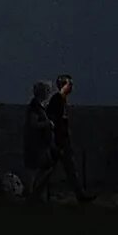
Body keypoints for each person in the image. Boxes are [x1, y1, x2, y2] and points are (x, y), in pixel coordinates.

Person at [46, 74, 85, 205]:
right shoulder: (57, 100)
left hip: (62, 139)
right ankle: (38, 193)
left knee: (67, 168)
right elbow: (54, 120)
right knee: (54, 168)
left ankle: (80, 194)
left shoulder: (62, 100)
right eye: (69, 84)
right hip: (59, 140)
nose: (71, 87)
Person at [21, 82, 54, 203]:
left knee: (45, 166)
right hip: (35, 143)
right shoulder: (35, 106)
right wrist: (47, 123)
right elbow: (33, 123)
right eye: (47, 91)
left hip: (41, 144)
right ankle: (30, 194)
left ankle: (37, 193)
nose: (49, 93)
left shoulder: (40, 106)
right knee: (33, 168)